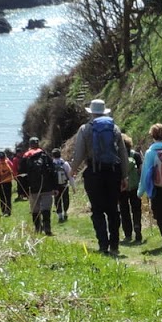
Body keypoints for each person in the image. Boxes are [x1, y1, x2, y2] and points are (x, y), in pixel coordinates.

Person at [74, 98, 129, 255]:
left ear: (91, 113)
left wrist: (73, 170)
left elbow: (79, 154)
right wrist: (124, 176)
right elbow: (122, 154)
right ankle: (115, 245)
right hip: (113, 173)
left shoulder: (85, 129)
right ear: (104, 112)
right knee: (113, 210)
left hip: (94, 173)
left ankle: (103, 245)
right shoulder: (115, 129)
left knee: (97, 210)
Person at [18, 138, 58, 236]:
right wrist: (55, 187)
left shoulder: (25, 157)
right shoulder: (45, 155)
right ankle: (47, 228)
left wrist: (22, 191)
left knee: (35, 210)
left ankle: (38, 229)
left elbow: (21, 175)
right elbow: (53, 171)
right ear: (38, 144)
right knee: (46, 208)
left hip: (33, 189)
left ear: (30, 145)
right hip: (47, 187)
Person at [119, 138, 144, 245]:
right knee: (136, 209)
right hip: (135, 187)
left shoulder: (118, 157)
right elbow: (141, 171)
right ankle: (137, 226)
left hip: (122, 188)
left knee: (124, 210)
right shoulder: (136, 155)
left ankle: (128, 233)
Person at [0, 149, 17, 216]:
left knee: (2, 198)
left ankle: (3, 211)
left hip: (0, 183)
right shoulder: (8, 162)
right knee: (8, 197)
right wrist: (15, 177)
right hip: (8, 182)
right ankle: (8, 211)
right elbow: (13, 169)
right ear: (5, 156)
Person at [52, 148, 73, 223]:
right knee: (65, 199)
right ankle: (65, 213)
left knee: (57, 200)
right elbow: (70, 175)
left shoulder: (52, 164)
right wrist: (73, 186)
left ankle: (60, 215)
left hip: (56, 187)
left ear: (53, 156)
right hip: (64, 185)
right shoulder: (65, 163)